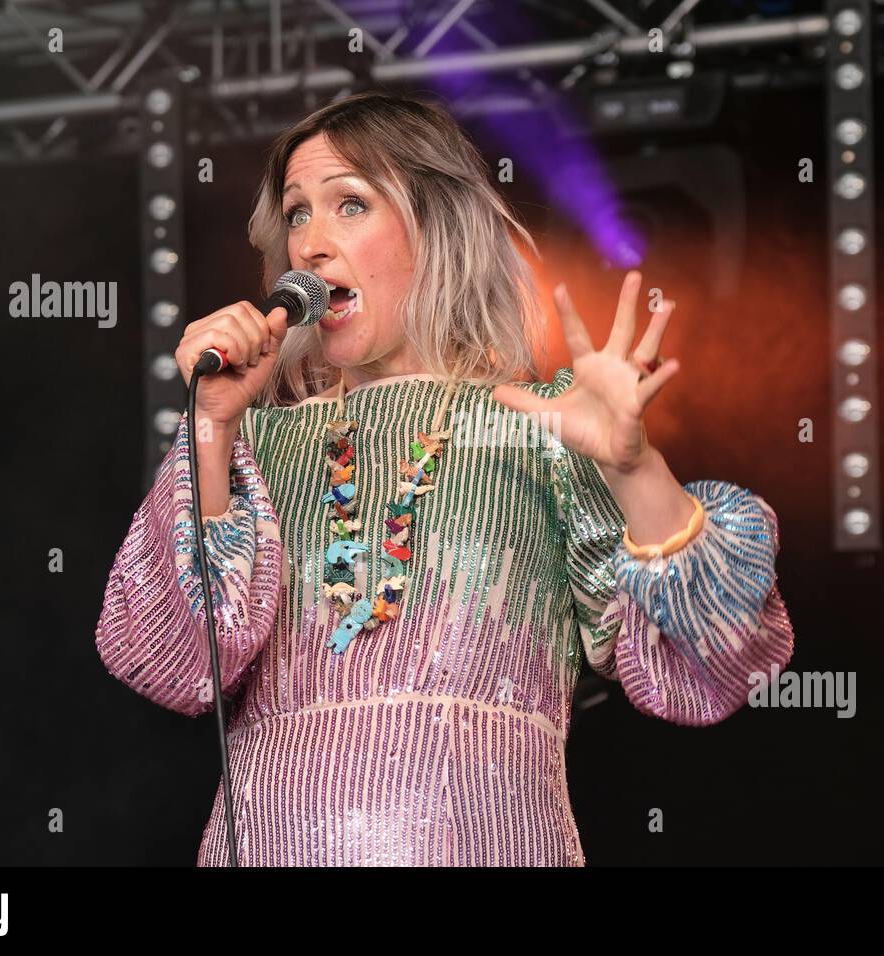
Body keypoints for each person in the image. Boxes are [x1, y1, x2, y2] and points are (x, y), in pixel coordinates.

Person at [94, 89, 794, 866]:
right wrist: (211, 426)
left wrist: (633, 467)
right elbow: (172, 660)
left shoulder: (540, 424)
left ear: (436, 226)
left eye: (350, 204)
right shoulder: (252, 442)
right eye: (297, 214)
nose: (312, 245)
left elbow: (718, 659)